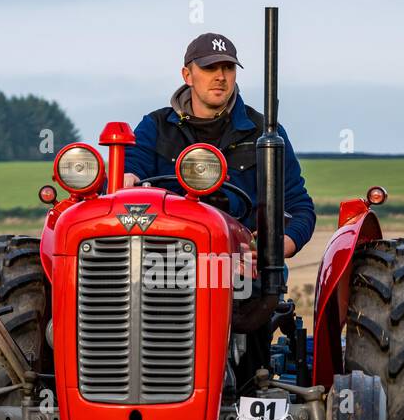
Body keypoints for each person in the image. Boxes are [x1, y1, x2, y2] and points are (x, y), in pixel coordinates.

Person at [121, 31, 316, 259]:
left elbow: (299, 207)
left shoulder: (264, 133)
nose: (221, 77)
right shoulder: (156, 127)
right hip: (165, 260)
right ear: (188, 75)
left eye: (228, 68)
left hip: (241, 266)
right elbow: (127, 177)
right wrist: (127, 176)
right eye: (209, 68)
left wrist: (280, 245)